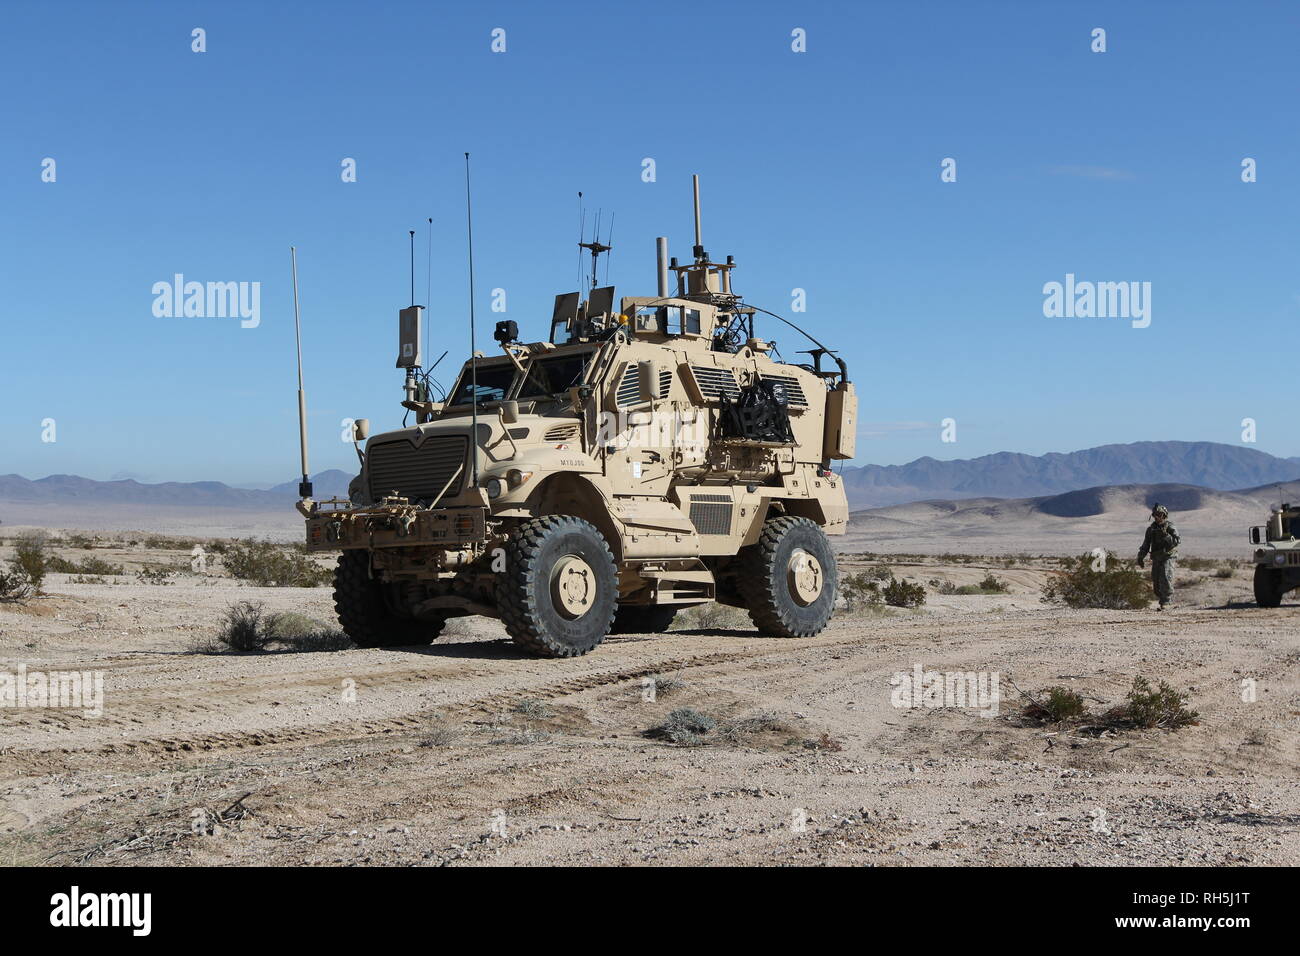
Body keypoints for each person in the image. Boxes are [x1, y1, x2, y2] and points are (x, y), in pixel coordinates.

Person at [1137, 503, 1180, 610]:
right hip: (1156, 557)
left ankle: (1166, 602)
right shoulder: (1151, 529)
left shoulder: (1170, 527)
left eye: (1159, 514)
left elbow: (1176, 541)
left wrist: (1166, 535)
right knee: (1156, 581)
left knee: (1166, 577)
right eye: (1155, 514)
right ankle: (1163, 600)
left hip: (1168, 556)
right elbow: (1146, 544)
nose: (1157, 517)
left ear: (1164, 515)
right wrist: (1141, 556)